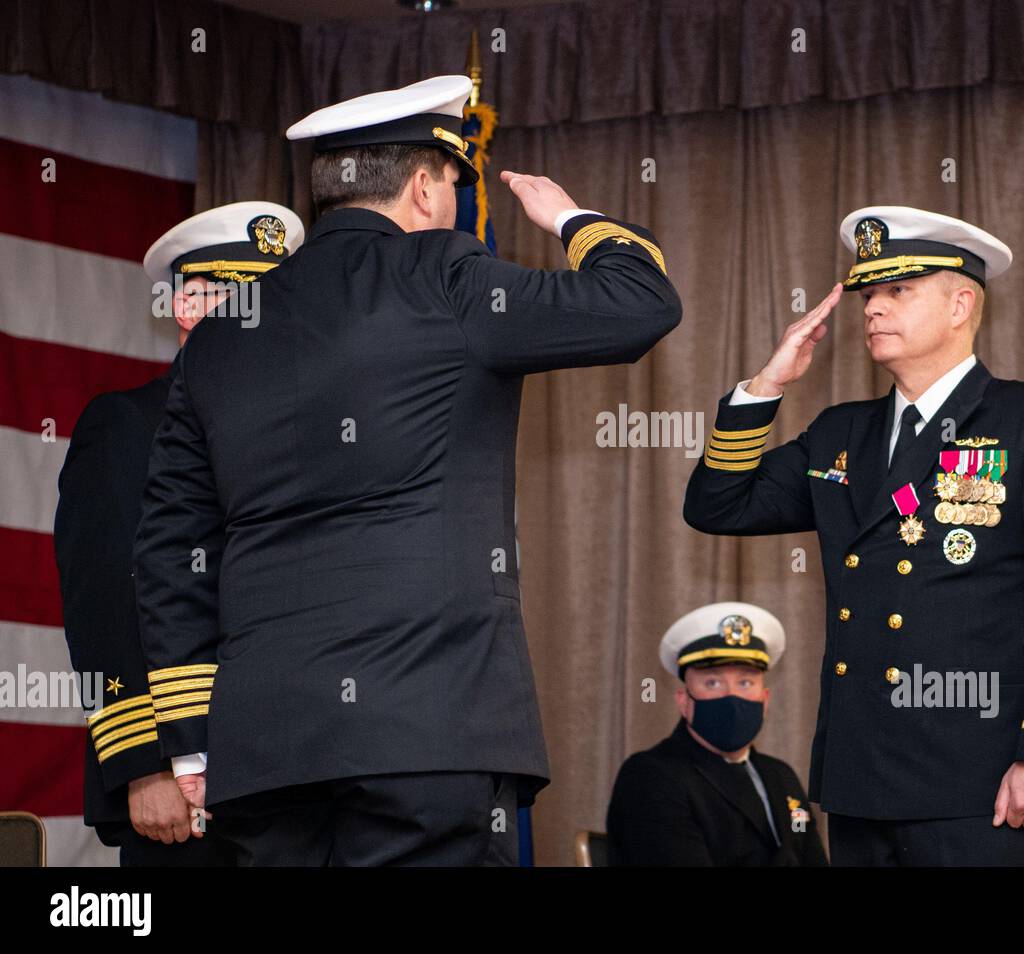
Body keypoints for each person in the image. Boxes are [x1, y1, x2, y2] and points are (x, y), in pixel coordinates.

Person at [133, 74, 682, 866]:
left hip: (265, 745)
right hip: (429, 725)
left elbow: (169, 551)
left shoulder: (222, 334)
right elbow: (642, 302)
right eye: (457, 182)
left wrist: (190, 743)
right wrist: (571, 217)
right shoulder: (448, 278)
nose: (457, 201)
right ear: (424, 188)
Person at [682, 206, 1024, 865]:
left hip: (977, 779)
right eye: (869, 294)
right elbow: (719, 505)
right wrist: (763, 387)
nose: (873, 309)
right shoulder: (840, 434)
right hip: (859, 777)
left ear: (961, 303)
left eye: (899, 291)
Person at [53, 201, 304, 866]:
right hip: (182, 789)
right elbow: (104, 600)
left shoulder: (303, 438)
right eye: (251, 302)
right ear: (190, 307)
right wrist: (145, 763)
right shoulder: (128, 425)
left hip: (296, 778)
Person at [606, 602, 827, 866]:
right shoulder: (650, 776)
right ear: (684, 701)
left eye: (745, 682)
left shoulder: (781, 776)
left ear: (765, 699)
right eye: (713, 682)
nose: (731, 697)